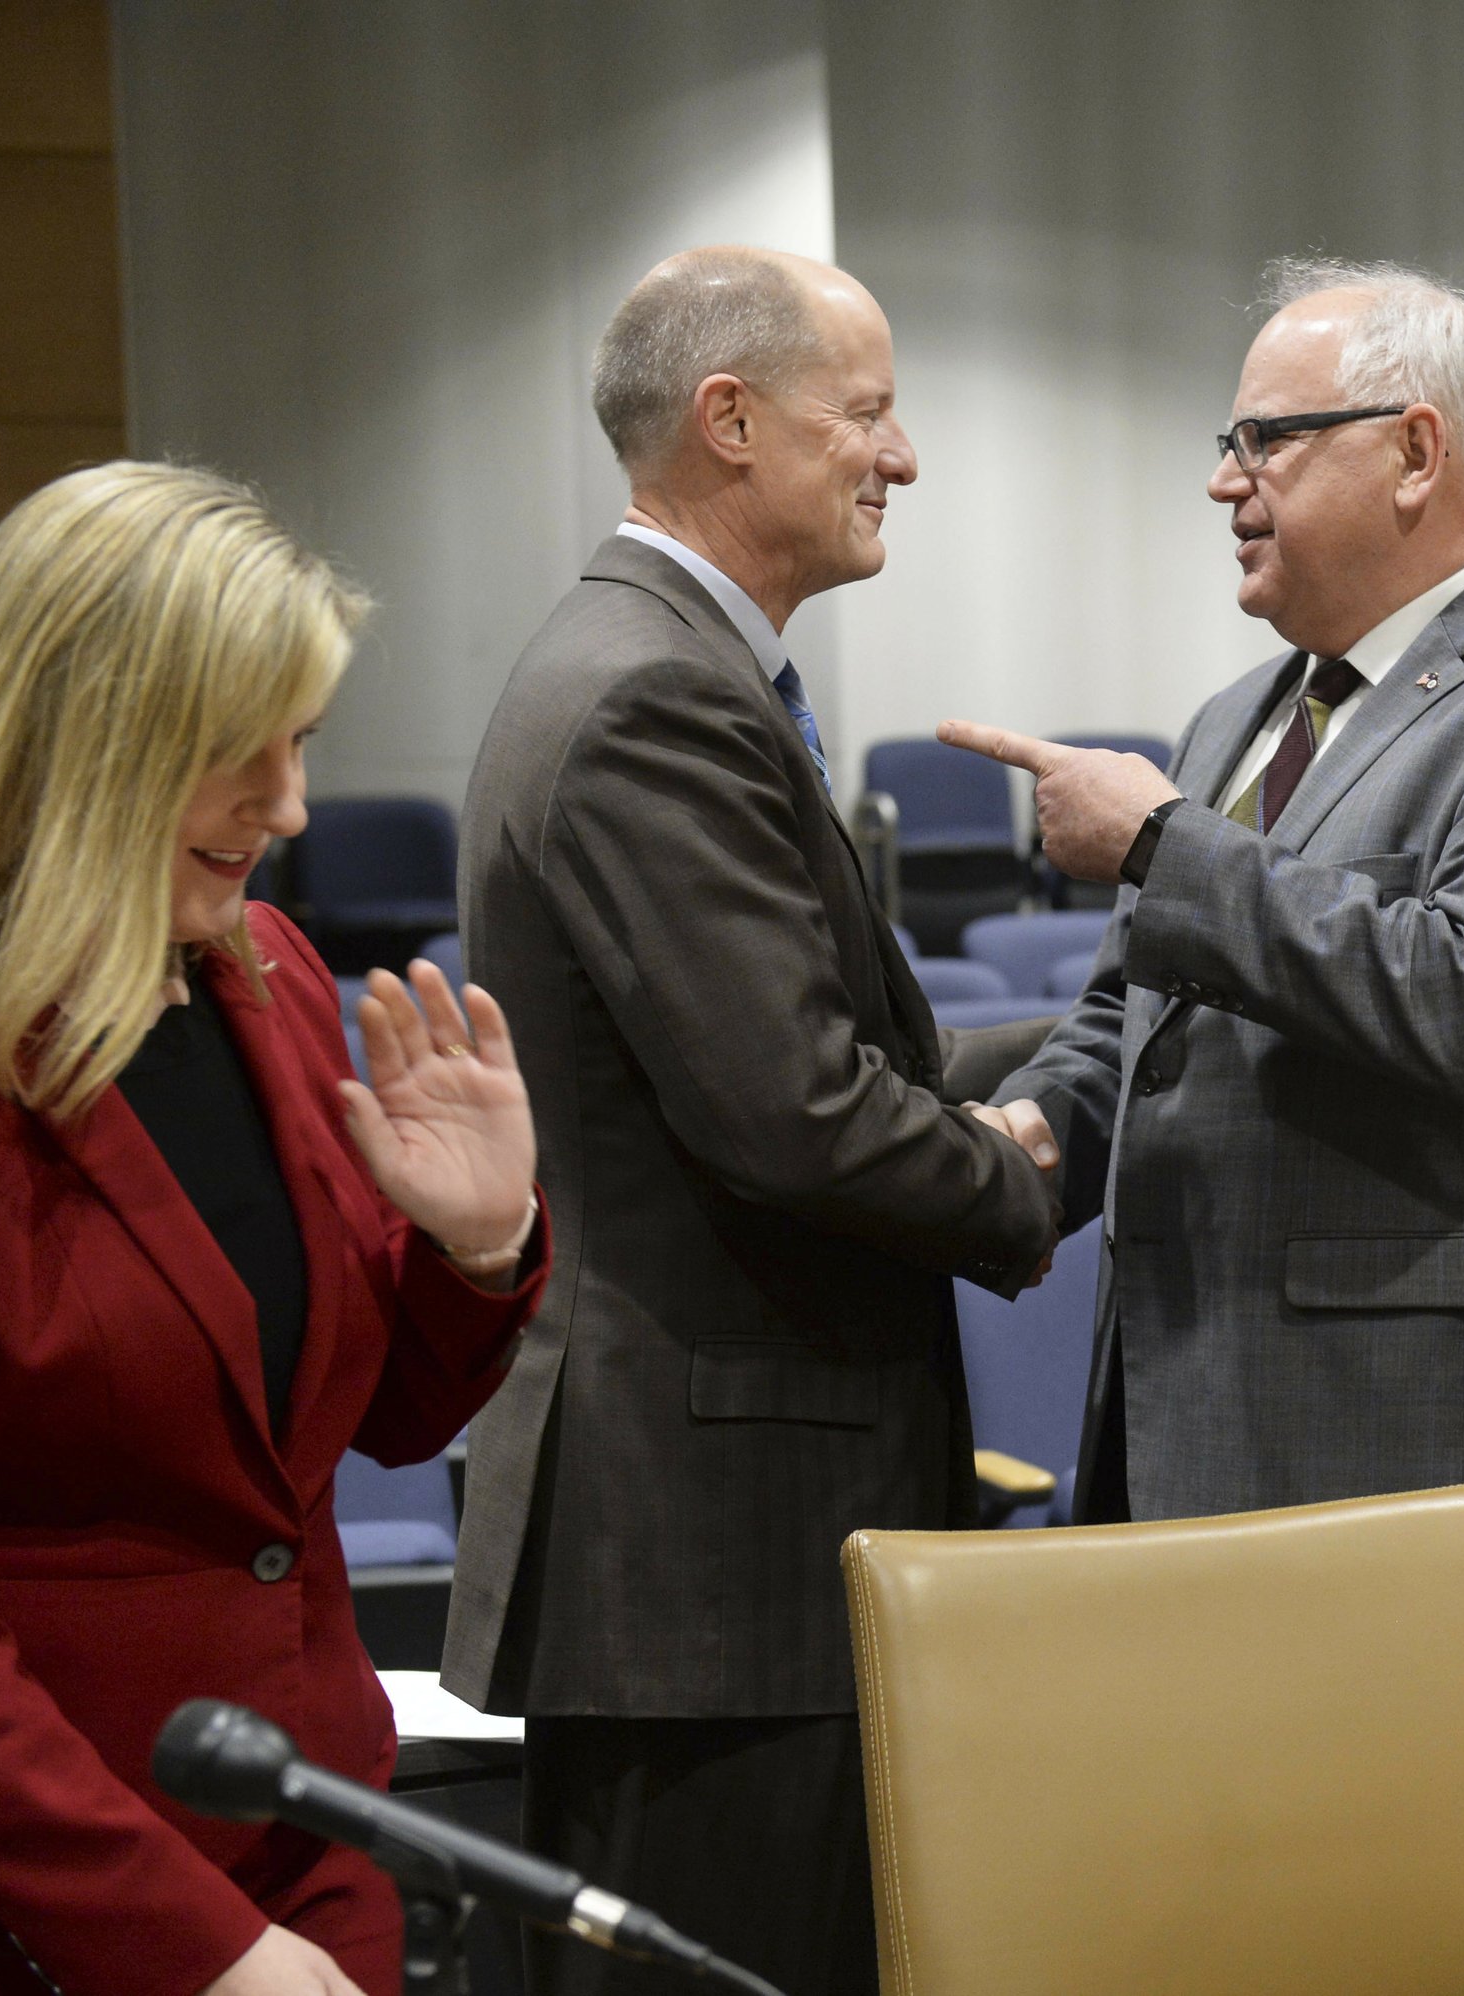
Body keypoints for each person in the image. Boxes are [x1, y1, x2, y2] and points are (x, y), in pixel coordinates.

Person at [441, 246, 1061, 1996]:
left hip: (707, 1555)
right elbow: (794, 1114)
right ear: (730, 422)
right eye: (869, 414)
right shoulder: (657, 692)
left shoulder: (654, 660)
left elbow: (801, 1051)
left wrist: (1095, 1035)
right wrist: (1034, 1164)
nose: (907, 458)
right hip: (715, 1567)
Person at [0, 461, 544, 1996]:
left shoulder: (271, 974)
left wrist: (473, 1250)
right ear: (84, 737)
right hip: (0, 1910)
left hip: (305, 1848)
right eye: (241, 753)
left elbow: (347, 1430)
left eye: (300, 743)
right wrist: (194, 1946)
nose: (289, 807)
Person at [939, 256, 1464, 1522]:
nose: (1226, 480)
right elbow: (1143, 1014)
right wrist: (1034, 1131)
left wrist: (1163, 843)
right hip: (1189, 1410)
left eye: (1266, 440)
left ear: (1414, 452)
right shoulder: (1240, 714)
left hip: (1425, 1443)